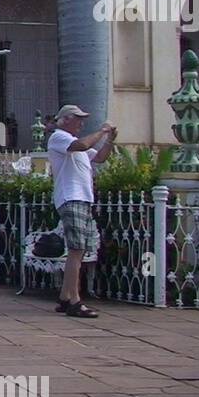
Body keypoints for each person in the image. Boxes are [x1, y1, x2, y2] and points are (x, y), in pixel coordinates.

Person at [48, 105, 116, 319]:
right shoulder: (60, 138)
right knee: (76, 250)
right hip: (71, 196)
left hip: (83, 197)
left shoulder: (76, 143)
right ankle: (74, 300)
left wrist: (110, 140)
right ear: (65, 120)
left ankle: (65, 297)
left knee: (78, 250)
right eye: (78, 119)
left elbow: (100, 157)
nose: (81, 123)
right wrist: (102, 131)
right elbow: (81, 144)